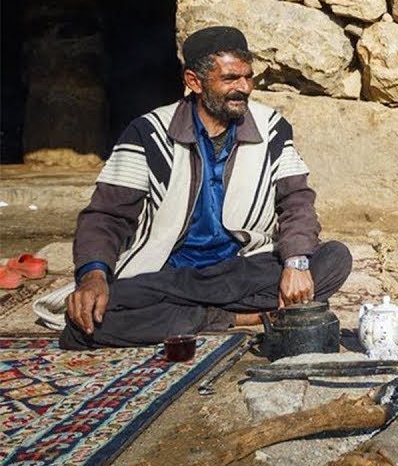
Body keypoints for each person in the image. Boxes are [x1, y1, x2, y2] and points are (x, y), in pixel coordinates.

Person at [36, 26, 352, 349]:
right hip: (171, 276)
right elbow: (105, 215)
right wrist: (93, 277)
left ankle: (197, 316)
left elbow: (296, 200)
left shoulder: (271, 128)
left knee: (333, 259)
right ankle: (234, 318)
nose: (243, 88)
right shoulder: (149, 134)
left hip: (240, 269)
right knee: (90, 319)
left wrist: (296, 263)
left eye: (248, 77)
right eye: (230, 79)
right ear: (194, 82)